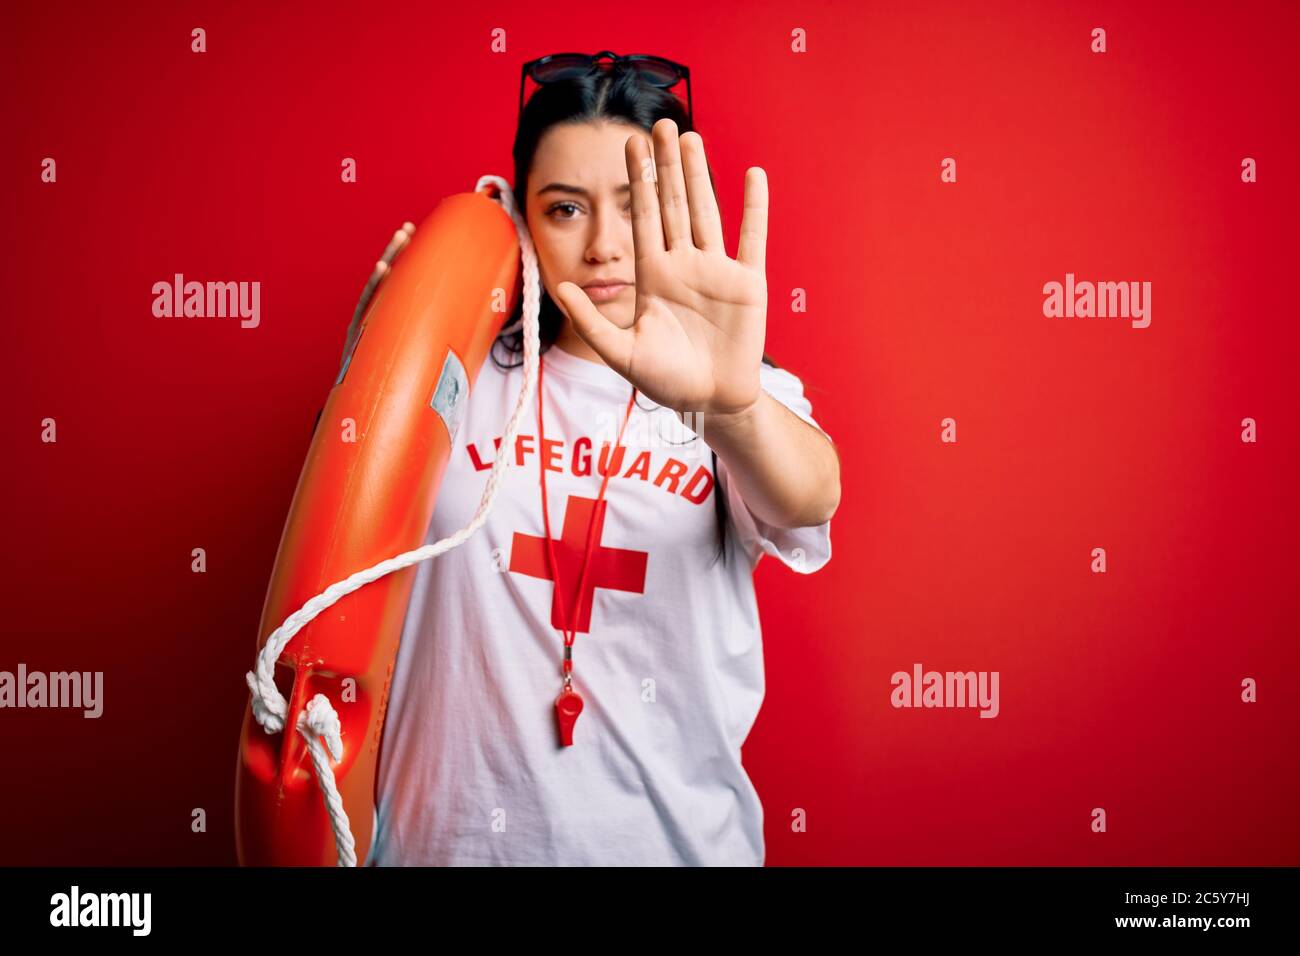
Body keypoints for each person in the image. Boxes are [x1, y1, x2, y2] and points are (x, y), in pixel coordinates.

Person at [367, 52, 841, 866]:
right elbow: (342, 547)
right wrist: (371, 376)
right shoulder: (454, 378)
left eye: (635, 205)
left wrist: (729, 405)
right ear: (519, 219)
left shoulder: (730, 387)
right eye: (565, 210)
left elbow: (810, 495)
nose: (603, 247)